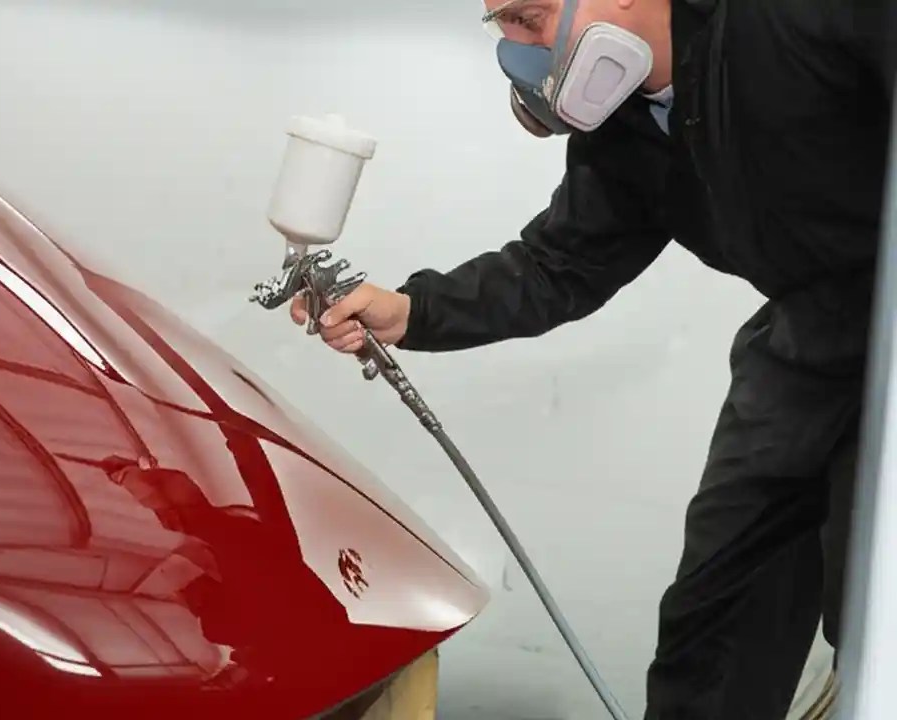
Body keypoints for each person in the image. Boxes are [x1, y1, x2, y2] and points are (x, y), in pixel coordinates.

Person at [289, 0, 896, 717]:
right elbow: (560, 263)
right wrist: (414, 311)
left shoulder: (795, 20)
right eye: (503, 28)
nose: (518, 52)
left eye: (530, 19)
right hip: (810, 333)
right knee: (716, 620)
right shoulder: (630, 125)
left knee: (870, 599)